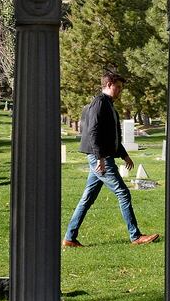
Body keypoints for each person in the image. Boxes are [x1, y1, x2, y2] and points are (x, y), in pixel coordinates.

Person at [63, 72, 159, 248]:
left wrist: (124, 154)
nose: (120, 91)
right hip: (101, 158)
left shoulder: (108, 104)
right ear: (108, 84)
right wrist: (100, 158)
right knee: (123, 193)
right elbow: (93, 132)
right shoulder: (99, 103)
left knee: (87, 198)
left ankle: (69, 238)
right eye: (118, 87)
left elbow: (110, 135)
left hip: (102, 157)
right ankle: (135, 236)